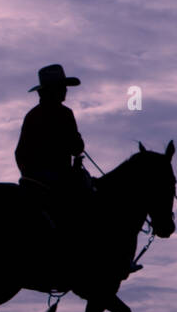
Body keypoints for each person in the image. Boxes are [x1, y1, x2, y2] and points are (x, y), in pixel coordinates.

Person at [16, 64, 140, 281]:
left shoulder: (32, 115)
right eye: (62, 87)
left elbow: (21, 152)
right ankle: (93, 259)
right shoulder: (64, 113)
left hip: (31, 177)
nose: (65, 92)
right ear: (55, 90)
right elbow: (76, 146)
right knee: (93, 202)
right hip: (55, 177)